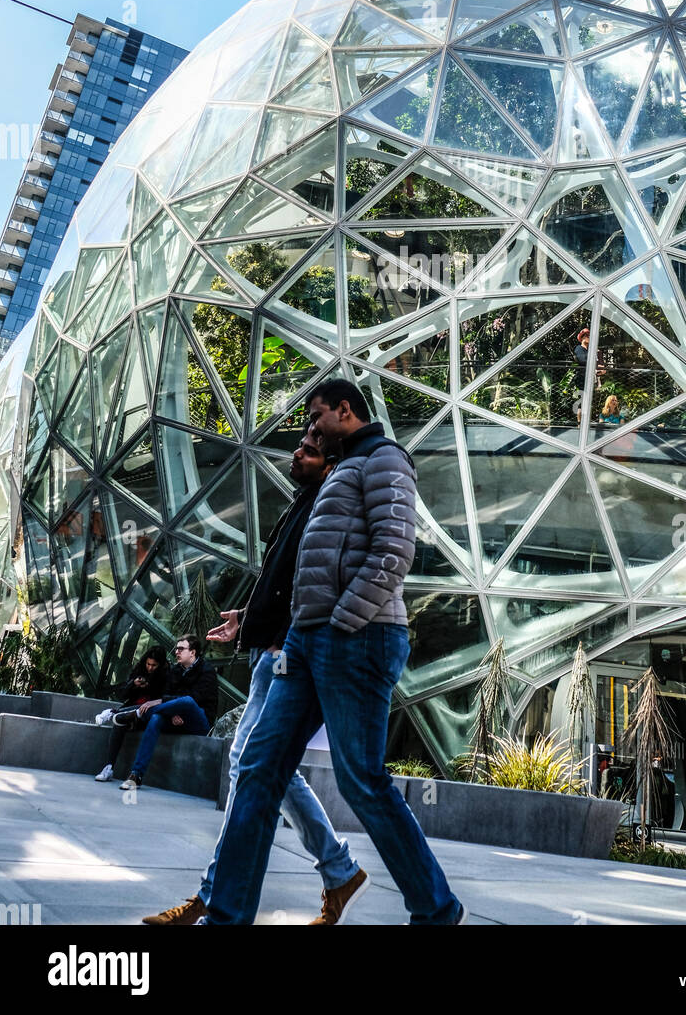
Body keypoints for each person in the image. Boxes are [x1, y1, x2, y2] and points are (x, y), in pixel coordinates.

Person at [200, 379, 465, 926]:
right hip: (304, 639)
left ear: (345, 410)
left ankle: (436, 909)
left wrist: (343, 623)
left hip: (358, 637)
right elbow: (315, 563)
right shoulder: (341, 468)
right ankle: (225, 914)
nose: (311, 427)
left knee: (361, 779)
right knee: (257, 766)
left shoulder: (384, 458)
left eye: (317, 415)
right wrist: (277, 623)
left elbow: (394, 550)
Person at [142, 426, 367, 928]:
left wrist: (283, 632)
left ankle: (218, 899)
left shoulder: (326, 507)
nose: (296, 454)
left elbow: (323, 587)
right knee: (257, 765)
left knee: (254, 764)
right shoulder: (303, 504)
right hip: (272, 647)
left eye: (308, 450)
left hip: (287, 652)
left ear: (329, 461)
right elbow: (285, 584)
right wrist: (249, 616)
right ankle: (336, 870)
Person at [118, 635, 218, 791]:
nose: (177, 652)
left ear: (193, 652)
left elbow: (196, 698)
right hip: (175, 718)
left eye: (181, 649)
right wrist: (171, 713)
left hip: (199, 722)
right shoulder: (175, 670)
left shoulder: (207, 671)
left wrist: (162, 703)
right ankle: (136, 775)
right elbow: (168, 694)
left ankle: (139, 714)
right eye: (176, 648)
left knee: (188, 701)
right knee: (156, 718)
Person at [94, 646, 168, 783]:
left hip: (148, 714)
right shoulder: (139, 669)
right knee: (119, 723)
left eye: (154, 665)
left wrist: (149, 686)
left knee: (120, 717)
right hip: (131, 710)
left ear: (161, 665)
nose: (150, 668)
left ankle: (111, 713)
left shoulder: (167, 675)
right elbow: (123, 694)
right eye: (148, 664)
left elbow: (163, 698)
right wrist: (134, 684)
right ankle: (109, 767)